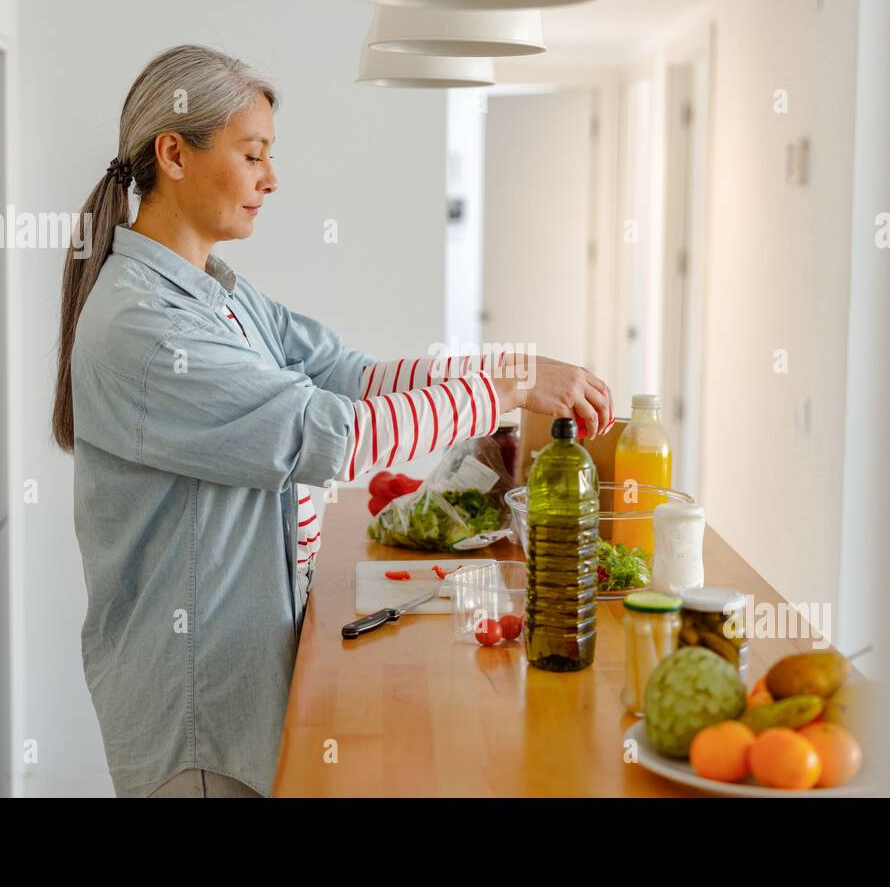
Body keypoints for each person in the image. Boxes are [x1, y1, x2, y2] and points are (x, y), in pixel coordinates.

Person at [51, 44, 615, 797]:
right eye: (253, 155)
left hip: (242, 677)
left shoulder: (217, 291)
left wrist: (505, 374)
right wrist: (504, 387)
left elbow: (349, 375)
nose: (271, 180)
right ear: (173, 155)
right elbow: (329, 435)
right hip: (198, 707)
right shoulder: (143, 328)